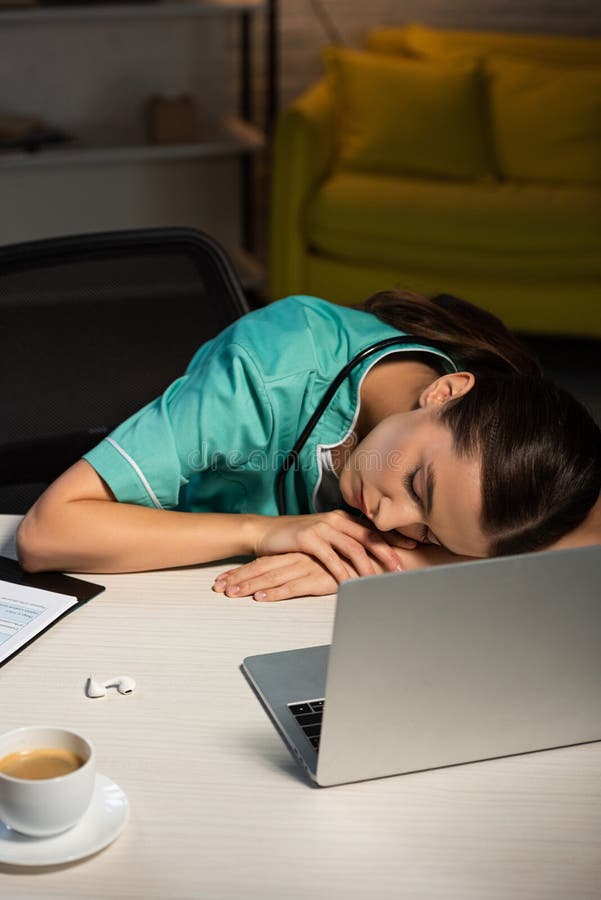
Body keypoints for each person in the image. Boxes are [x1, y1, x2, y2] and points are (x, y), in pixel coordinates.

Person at [16, 291, 601, 601]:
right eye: (417, 485)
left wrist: (381, 562)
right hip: (158, 580)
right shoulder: (268, 370)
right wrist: (261, 532)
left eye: (429, 530)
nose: (390, 519)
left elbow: (588, 540)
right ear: (444, 392)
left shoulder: (488, 452)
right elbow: (46, 536)